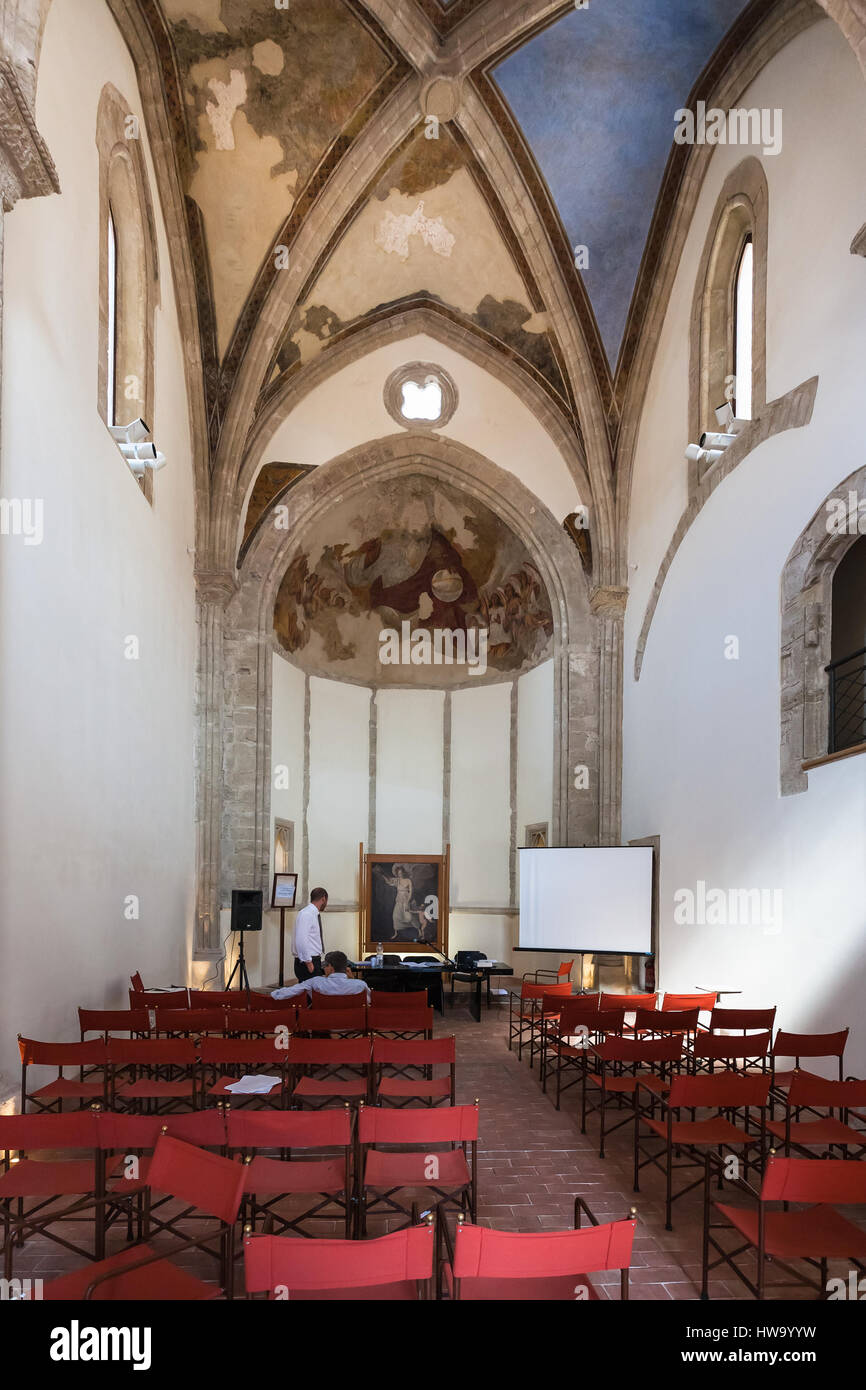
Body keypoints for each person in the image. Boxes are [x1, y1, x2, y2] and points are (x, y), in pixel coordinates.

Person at [271, 950, 370, 1003]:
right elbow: (370, 1001)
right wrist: (353, 980)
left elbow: (291, 991)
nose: (324, 969)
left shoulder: (316, 982)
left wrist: (272, 995)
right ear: (346, 968)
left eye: (325, 966)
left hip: (321, 1023)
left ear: (331, 967)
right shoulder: (360, 985)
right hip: (353, 1024)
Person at [292, 888, 328, 982]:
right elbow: (301, 939)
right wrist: (308, 962)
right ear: (323, 899)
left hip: (313, 959)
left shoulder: (312, 913)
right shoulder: (307, 914)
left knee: (313, 994)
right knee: (309, 994)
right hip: (307, 962)